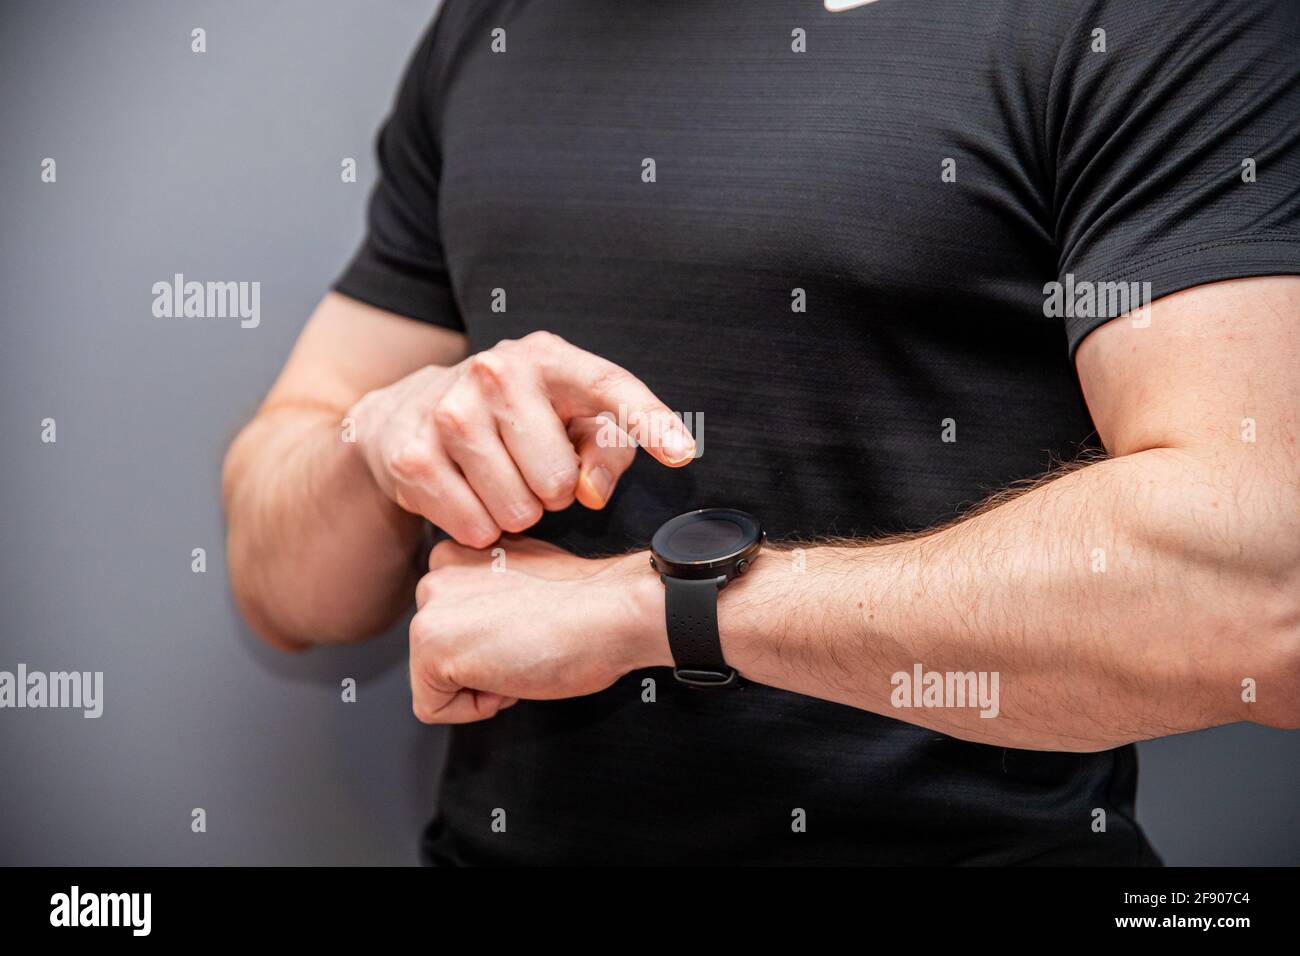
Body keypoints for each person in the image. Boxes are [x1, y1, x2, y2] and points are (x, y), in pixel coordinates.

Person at [221, 0, 1300, 865]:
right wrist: (381, 439)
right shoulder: (491, 22)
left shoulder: (1161, 22)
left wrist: (650, 609)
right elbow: (285, 590)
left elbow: (1263, 590)